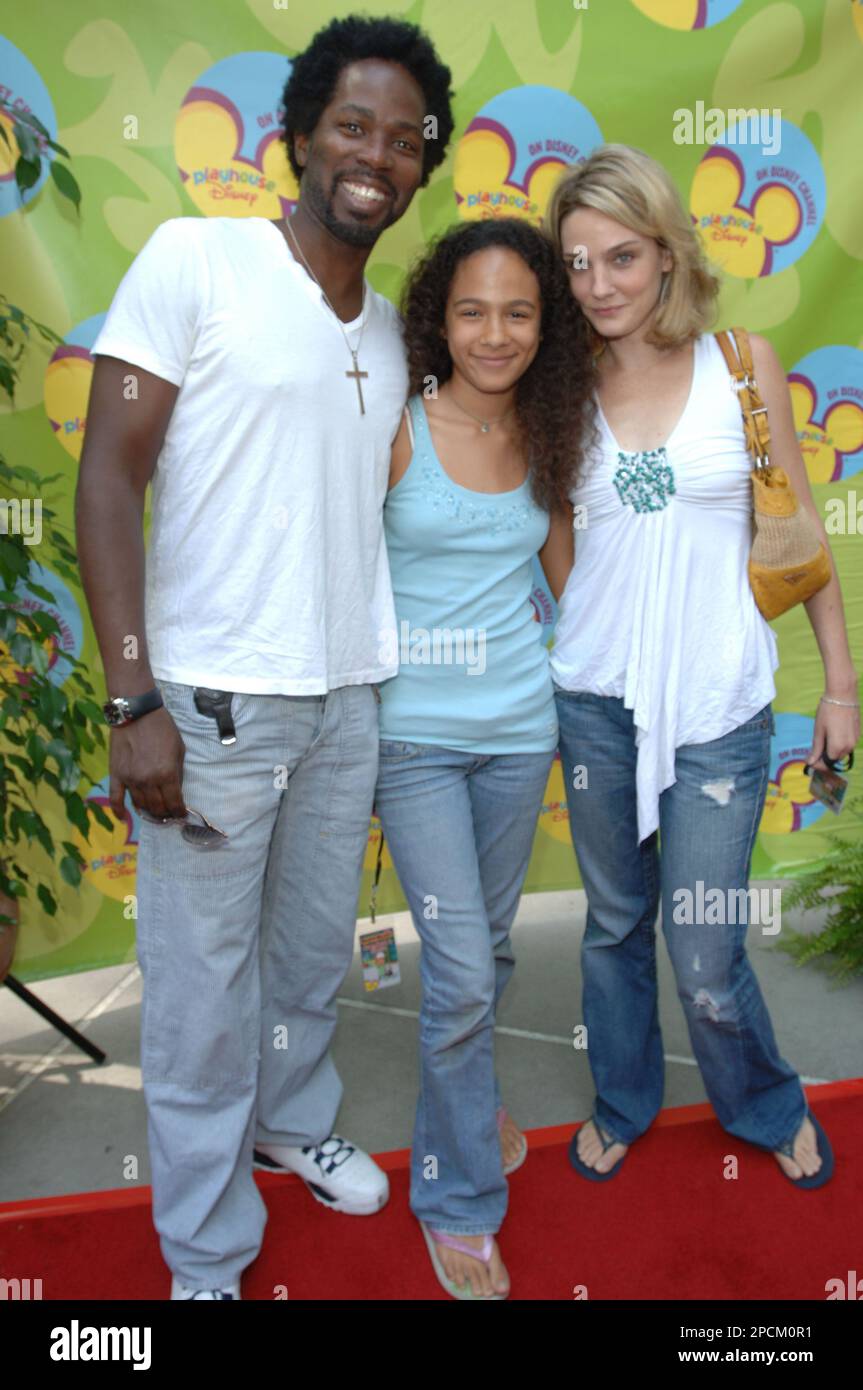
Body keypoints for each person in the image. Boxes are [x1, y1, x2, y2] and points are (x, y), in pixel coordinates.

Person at [75, 15, 453, 1300]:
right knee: (198, 991)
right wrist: (132, 695)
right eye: (354, 125)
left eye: (404, 140)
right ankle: (205, 1251)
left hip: (346, 696)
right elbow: (108, 478)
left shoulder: (391, 334)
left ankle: (291, 1123)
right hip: (210, 700)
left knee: (304, 959)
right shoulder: (196, 258)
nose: (377, 156)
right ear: (296, 136)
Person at [545, 144, 860, 1189]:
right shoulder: (557, 382)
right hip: (594, 702)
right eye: (577, 263)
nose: (597, 285)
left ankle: (762, 1099)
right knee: (613, 925)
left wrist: (840, 689)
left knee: (704, 951)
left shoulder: (742, 362)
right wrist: (591, 628)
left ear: (669, 253)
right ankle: (625, 1097)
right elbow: (556, 538)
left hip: (719, 704)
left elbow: (798, 530)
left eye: (620, 257)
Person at [372, 218, 595, 1299]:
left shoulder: (548, 434)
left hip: (518, 734)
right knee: (460, 969)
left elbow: (576, 587)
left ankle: (463, 1105)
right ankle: (456, 1198)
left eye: (517, 310)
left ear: (543, 322)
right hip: (409, 740)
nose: (493, 333)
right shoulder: (394, 427)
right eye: (471, 309)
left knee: (484, 953)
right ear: (437, 317)